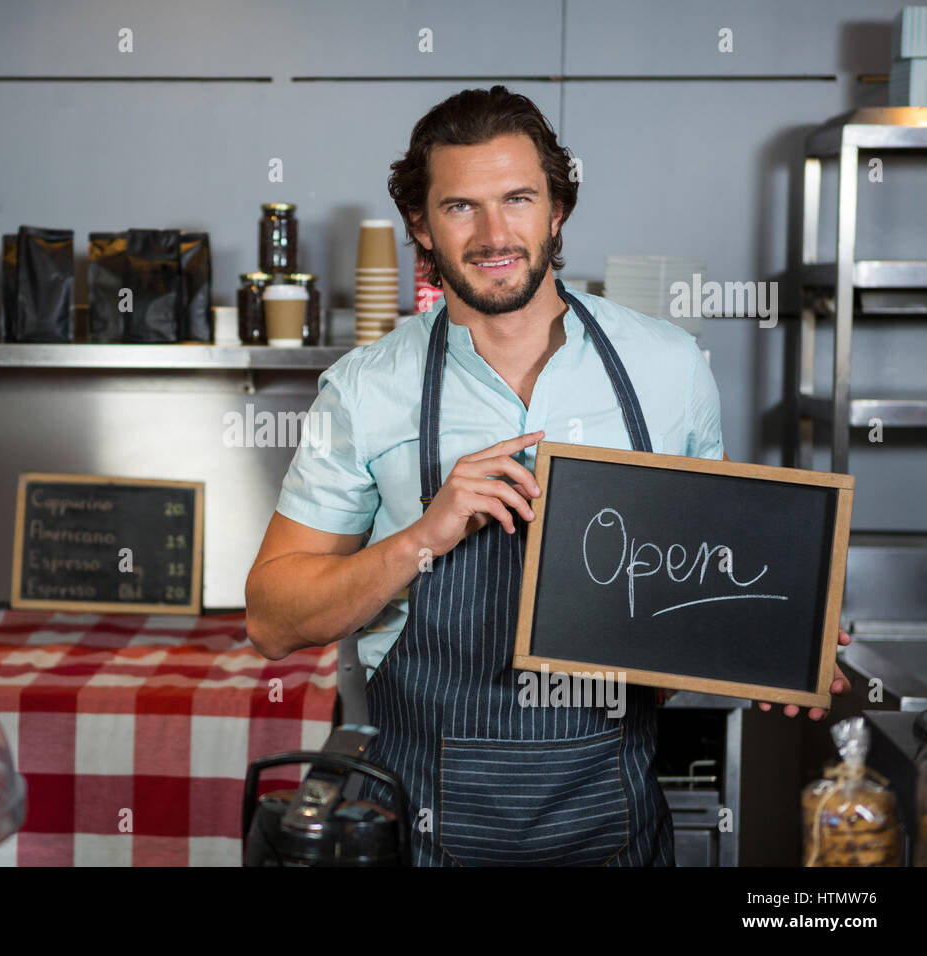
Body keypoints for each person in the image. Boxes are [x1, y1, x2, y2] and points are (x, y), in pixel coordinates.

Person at [245, 85, 850, 866]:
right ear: (420, 226)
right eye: (461, 207)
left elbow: (700, 578)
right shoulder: (366, 388)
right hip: (419, 820)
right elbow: (271, 619)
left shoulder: (668, 369)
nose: (496, 233)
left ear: (557, 209)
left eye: (519, 199)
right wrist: (421, 537)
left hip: (611, 818)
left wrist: (770, 642)